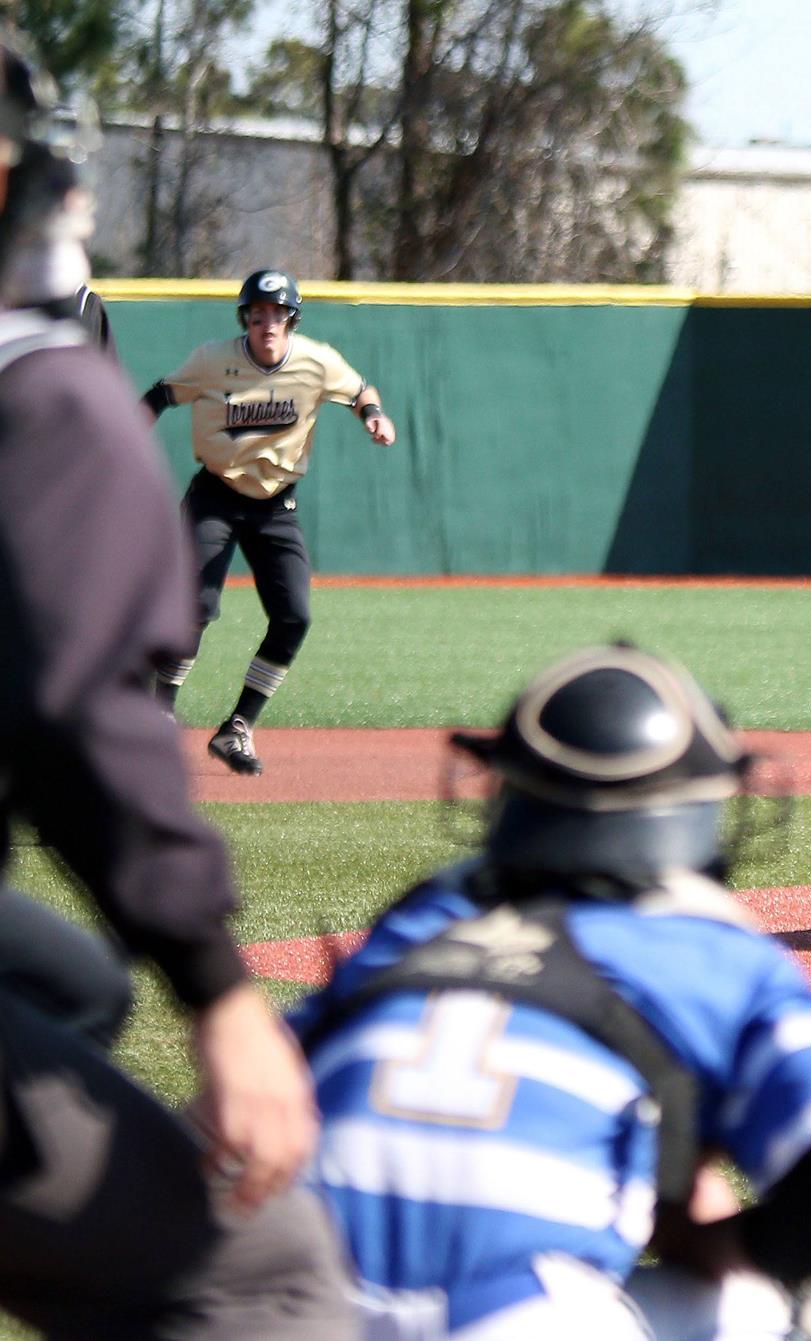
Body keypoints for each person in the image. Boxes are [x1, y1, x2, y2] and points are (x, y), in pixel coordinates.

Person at [0, 36, 354, 1339]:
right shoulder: (44, 390)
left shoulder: (293, 368)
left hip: (264, 509)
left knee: (76, 989)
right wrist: (218, 990)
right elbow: (79, 723)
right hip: (196, 514)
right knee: (264, 1271)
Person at [289, 645, 811, 1339]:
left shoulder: (424, 916)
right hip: (516, 1319)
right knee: (779, 1313)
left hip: (276, 1299)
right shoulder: (710, 948)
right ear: (692, 811)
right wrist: (731, 1248)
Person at [144, 267, 399, 776]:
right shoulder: (214, 360)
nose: (267, 324)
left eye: (278, 315)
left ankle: (237, 728)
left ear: (292, 320)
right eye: (258, 315)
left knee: (294, 616)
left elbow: (360, 389)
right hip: (215, 493)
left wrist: (374, 413)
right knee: (196, 604)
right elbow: (161, 395)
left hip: (276, 502)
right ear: (245, 319)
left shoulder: (316, 361)